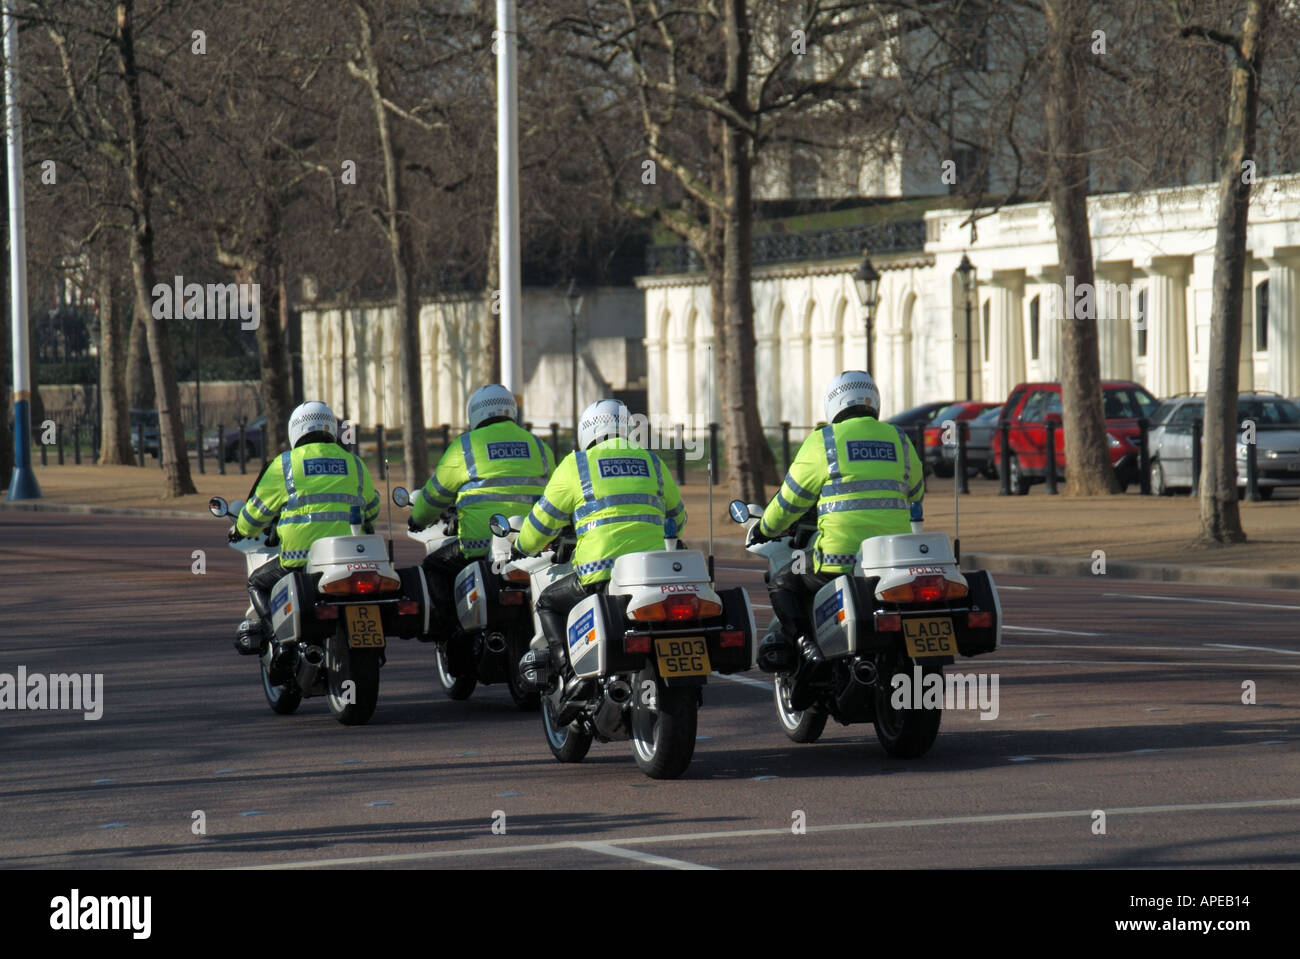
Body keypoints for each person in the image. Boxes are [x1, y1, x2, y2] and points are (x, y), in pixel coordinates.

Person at [749, 371, 923, 695]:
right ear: (874, 401)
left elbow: (789, 500)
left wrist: (764, 527)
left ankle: (807, 648)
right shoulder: (898, 437)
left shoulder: (824, 441)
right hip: (893, 562)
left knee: (784, 581)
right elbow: (915, 491)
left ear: (834, 404)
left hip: (838, 561)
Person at [516, 398, 686, 690]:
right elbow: (678, 518)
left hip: (599, 575)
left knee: (547, 602)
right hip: (652, 576)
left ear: (586, 432)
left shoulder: (576, 465)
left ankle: (569, 676)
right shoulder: (652, 462)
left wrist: (522, 546)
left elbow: (540, 526)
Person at [230, 400, 380, 654]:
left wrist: (241, 529)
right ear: (331, 428)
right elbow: (373, 510)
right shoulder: (355, 463)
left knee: (256, 582)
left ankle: (277, 640)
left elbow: (255, 515)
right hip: (350, 559)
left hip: (299, 560)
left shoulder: (285, 465)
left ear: (296, 431)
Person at [408, 384, 553, 625]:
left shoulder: (465, 447)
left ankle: (452, 630)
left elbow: (434, 496)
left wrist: (418, 519)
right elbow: (555, 497)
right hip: (530, 545)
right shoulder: (539, 446)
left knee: (433, 566)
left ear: (474, 414)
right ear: (511, 411)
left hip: (478, 546)